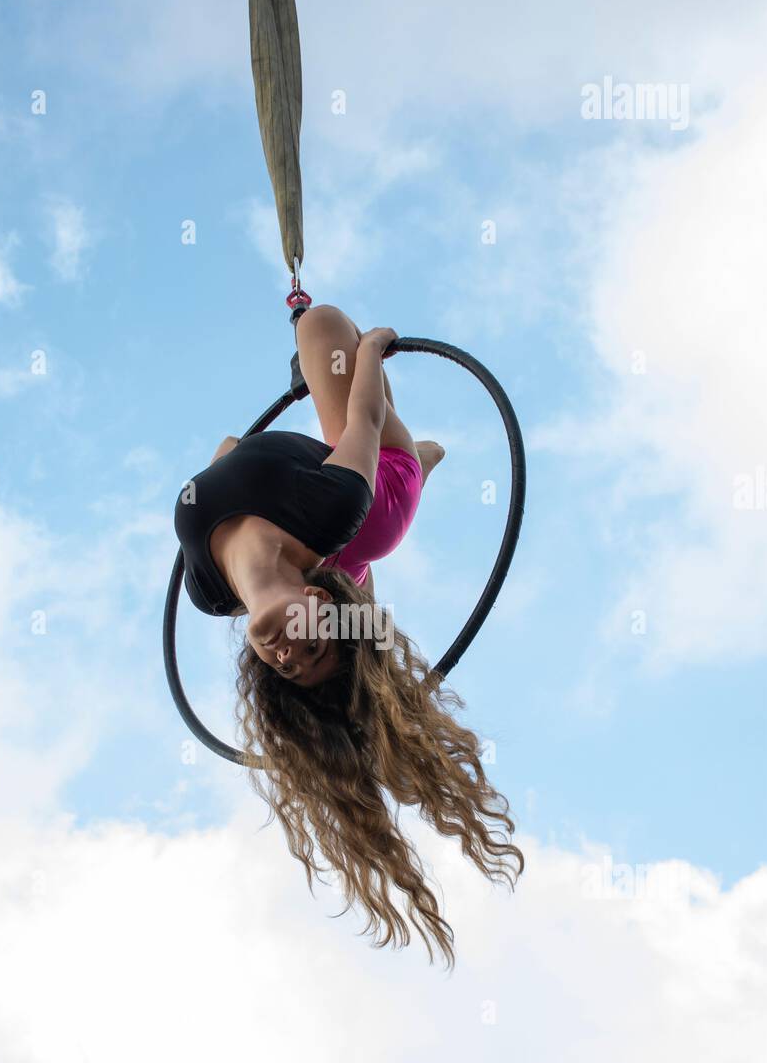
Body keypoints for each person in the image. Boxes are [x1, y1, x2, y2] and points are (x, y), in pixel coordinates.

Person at [174, 304, 523, 965]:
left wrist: (241, 468)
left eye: (287, 665)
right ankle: (418, 459)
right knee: (323, 330)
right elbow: (361, 420)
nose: (289, 649)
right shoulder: (337, 510)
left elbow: (225, 452)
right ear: (317, 599)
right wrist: (375, 350)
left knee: (312, 449)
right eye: (315, 644)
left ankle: (421, 461)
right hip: (374, 489)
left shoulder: (206, 591)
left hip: (319, 502)